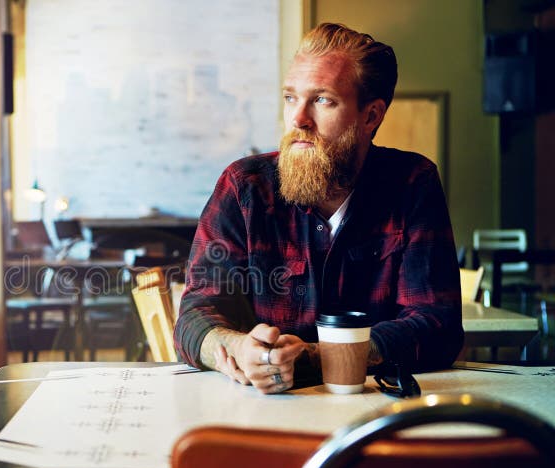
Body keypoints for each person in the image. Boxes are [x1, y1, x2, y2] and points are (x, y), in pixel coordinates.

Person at [173, 22, 463, 394]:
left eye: (322, 100)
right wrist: (239, 348)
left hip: (374, 408)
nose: (298, 119)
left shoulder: (412, 183)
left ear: (371, 116)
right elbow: (194, 319)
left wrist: (315, 357)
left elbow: (437, 325)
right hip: (260, 410)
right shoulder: (244, 188)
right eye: (290, 98)